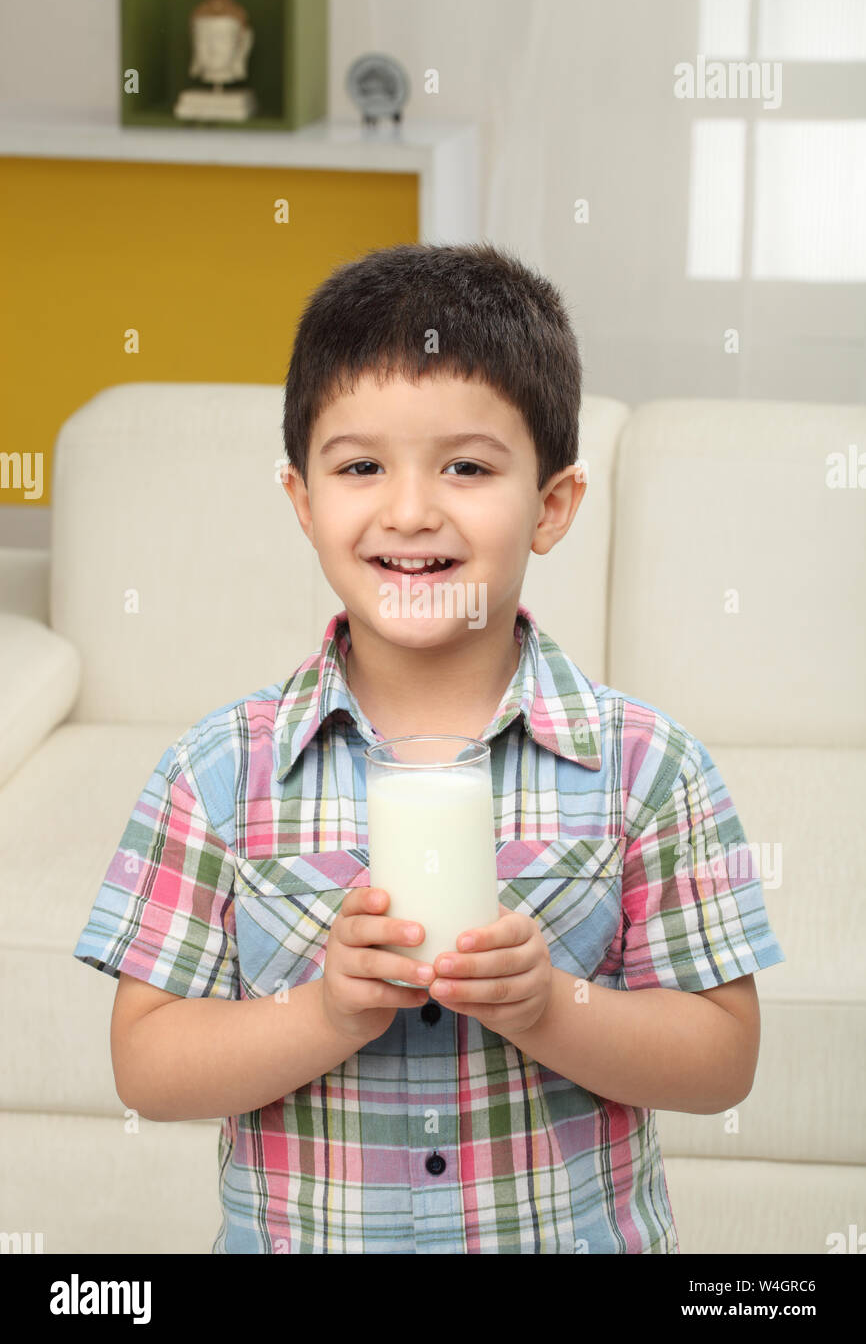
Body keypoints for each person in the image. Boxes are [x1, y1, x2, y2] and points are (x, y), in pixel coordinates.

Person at [73, 241, 786, 1254]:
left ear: (550, 506)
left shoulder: (645, 766)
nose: (410, 510)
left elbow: (721, 1060)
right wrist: (322, 1012)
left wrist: (551, 1005)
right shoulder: (219, 770)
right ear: (302, 499)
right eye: (360, 465)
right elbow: (147, 1064)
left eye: (465, 465)